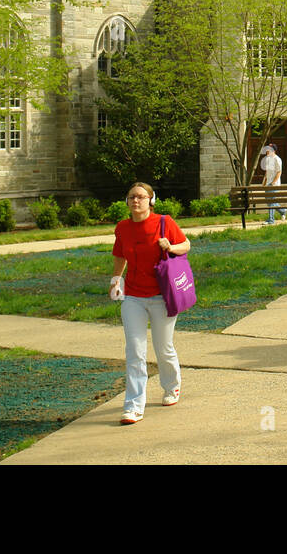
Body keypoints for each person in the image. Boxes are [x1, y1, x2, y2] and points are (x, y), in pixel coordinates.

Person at [109, 181, 189, 425]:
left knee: (163, 347)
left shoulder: (164, 222)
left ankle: (171, 386)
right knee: (134, 350)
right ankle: (134, 405)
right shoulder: (122, 228)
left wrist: (170, 246)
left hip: (162, 296)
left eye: (141, 197)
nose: (136, 201)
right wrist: (115, 279)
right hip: (133, 296)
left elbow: (187, 245)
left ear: (151, 201)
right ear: (127, 201)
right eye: (132, 197)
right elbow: (120, 254)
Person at [259, 143, 287, 225]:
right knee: (269, 201)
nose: (267, 151)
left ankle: (271, 220)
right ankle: (283, 211)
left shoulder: (277, 159)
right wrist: (264, 182)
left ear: (273, 151)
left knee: (271, 201)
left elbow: (279, 172)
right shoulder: (268, 159)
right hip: (268, 183)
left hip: (274, 184)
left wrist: (273, 182)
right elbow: (267, 172)